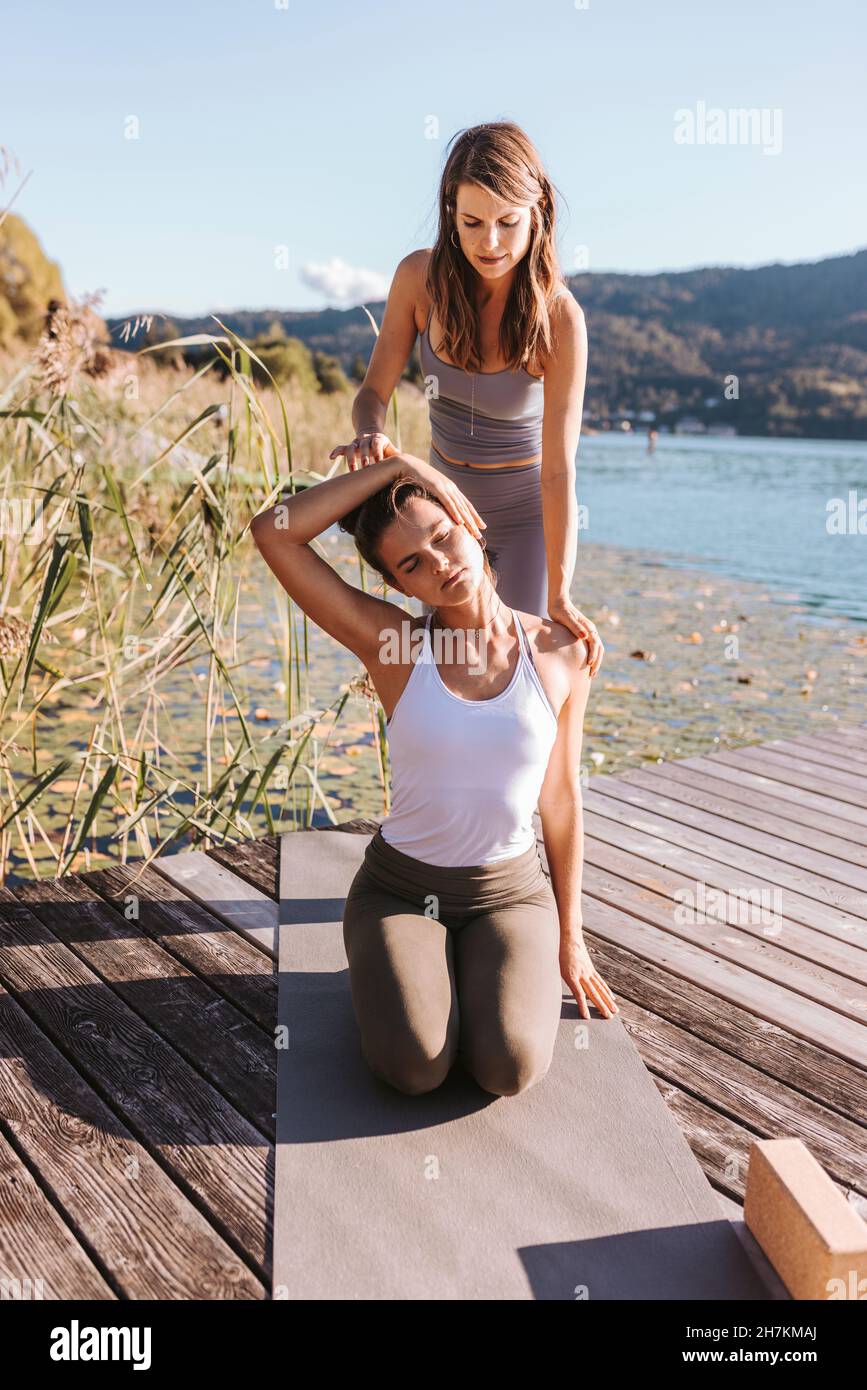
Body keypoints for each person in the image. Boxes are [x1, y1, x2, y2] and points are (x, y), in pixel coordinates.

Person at [250, 450, 618, 1100]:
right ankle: (397, 968)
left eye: (442, 536)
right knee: (414, 1068)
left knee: (508, 1069)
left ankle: (446, 973)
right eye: (412, 563)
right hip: (399, 890)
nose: (439, 563)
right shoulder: (394, 645)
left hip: (510, 894)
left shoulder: (560, 652)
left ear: (468, 523)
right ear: (399, 586)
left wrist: (571, 939)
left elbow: (559, 801)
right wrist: (403, 468)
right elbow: (273, 531)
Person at [329, 120, 604, 678]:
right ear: (449, 210)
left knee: (521, 678)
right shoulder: (418, 278)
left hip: (526, 515)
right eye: (472, 221)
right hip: (443, 518)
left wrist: (562, 590)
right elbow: (372, 394)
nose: (490, 243)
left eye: (508, 222)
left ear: (538, 211)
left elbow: (558, 471)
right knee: (453, 677)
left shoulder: (560, 317)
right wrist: (370, 434)